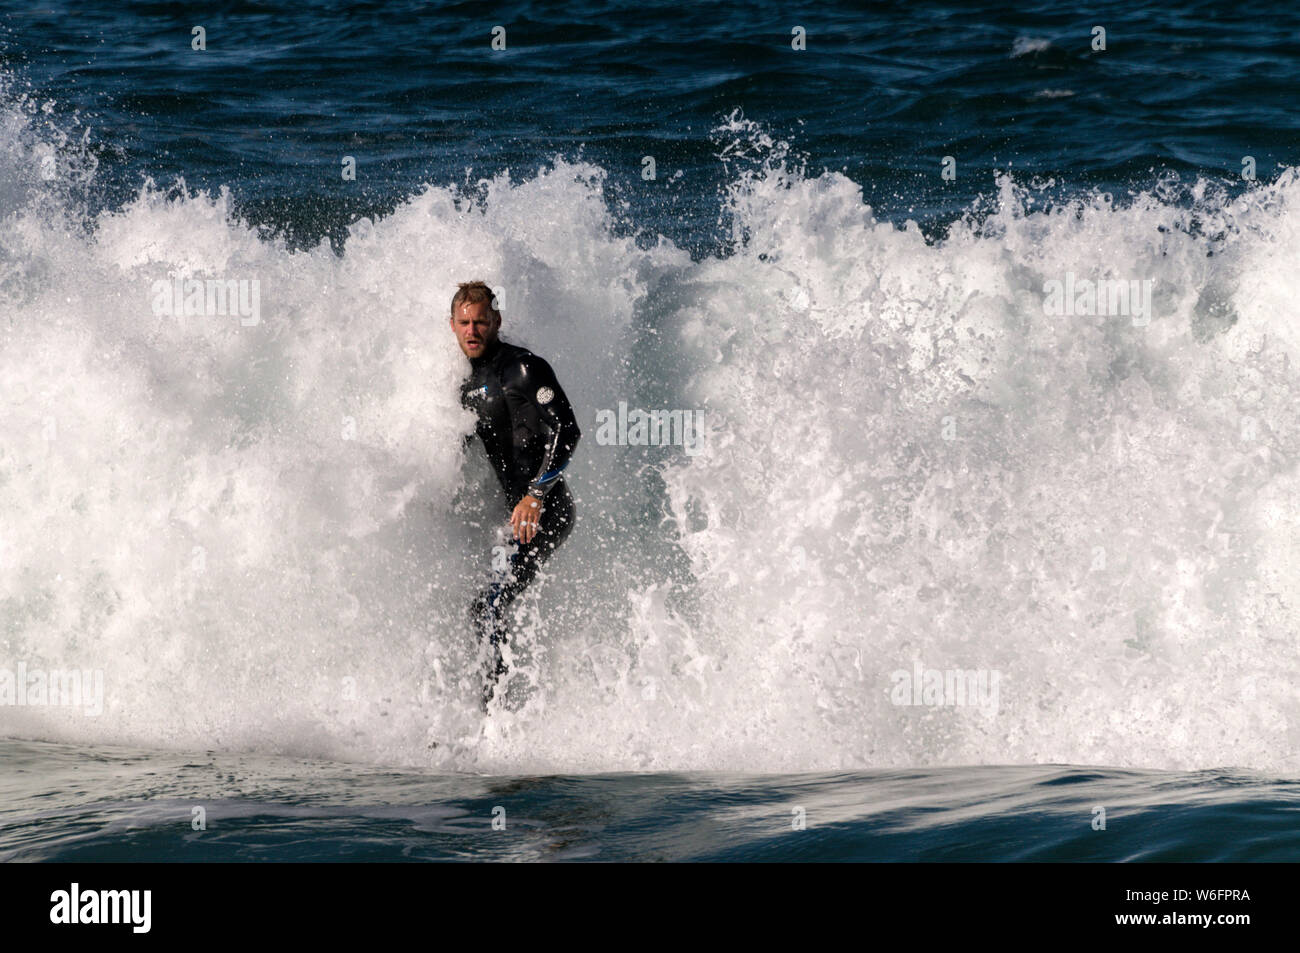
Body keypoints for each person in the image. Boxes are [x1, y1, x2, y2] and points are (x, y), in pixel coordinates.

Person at [451, 280, 581, 707]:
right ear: (452, 326)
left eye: (481, 322)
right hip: (515, 517)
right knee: (480, 604)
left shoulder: (524, 368)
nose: (473, 330)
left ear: (496, 322)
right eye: (465, 322)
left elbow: (567, 429)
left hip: (548, 510)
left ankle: (495, 716)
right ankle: (495, 703)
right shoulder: (464, 386)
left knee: (488, 604)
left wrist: (535, 495)